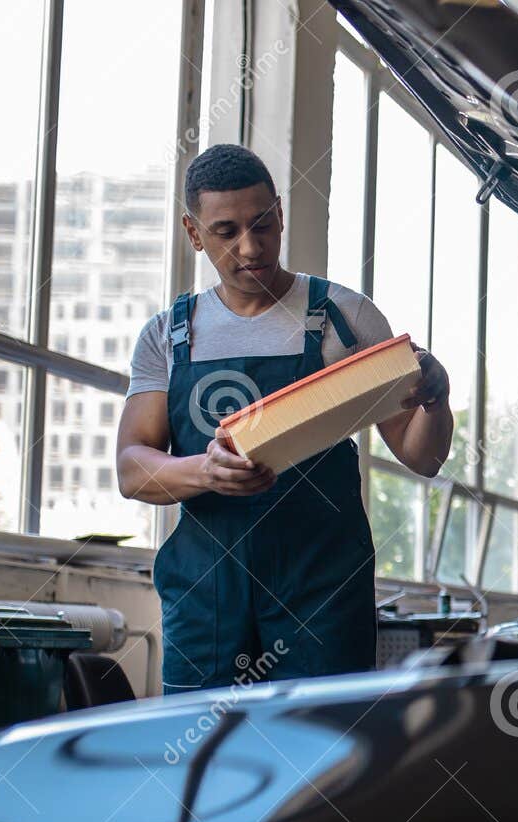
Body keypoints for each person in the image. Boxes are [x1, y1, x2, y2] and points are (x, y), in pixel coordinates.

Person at [117, 144, 452, 693]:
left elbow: (422, 457)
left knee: (318, 740)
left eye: (262, 225)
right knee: (203, 740)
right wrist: (206, 471)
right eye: (226, 232)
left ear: (280, 213)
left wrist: (436, 399)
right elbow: (132, 469)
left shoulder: (345, 318)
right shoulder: (168, 336)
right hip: (207, 593)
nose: (251, 248)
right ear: (194, 233)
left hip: (322, 592)